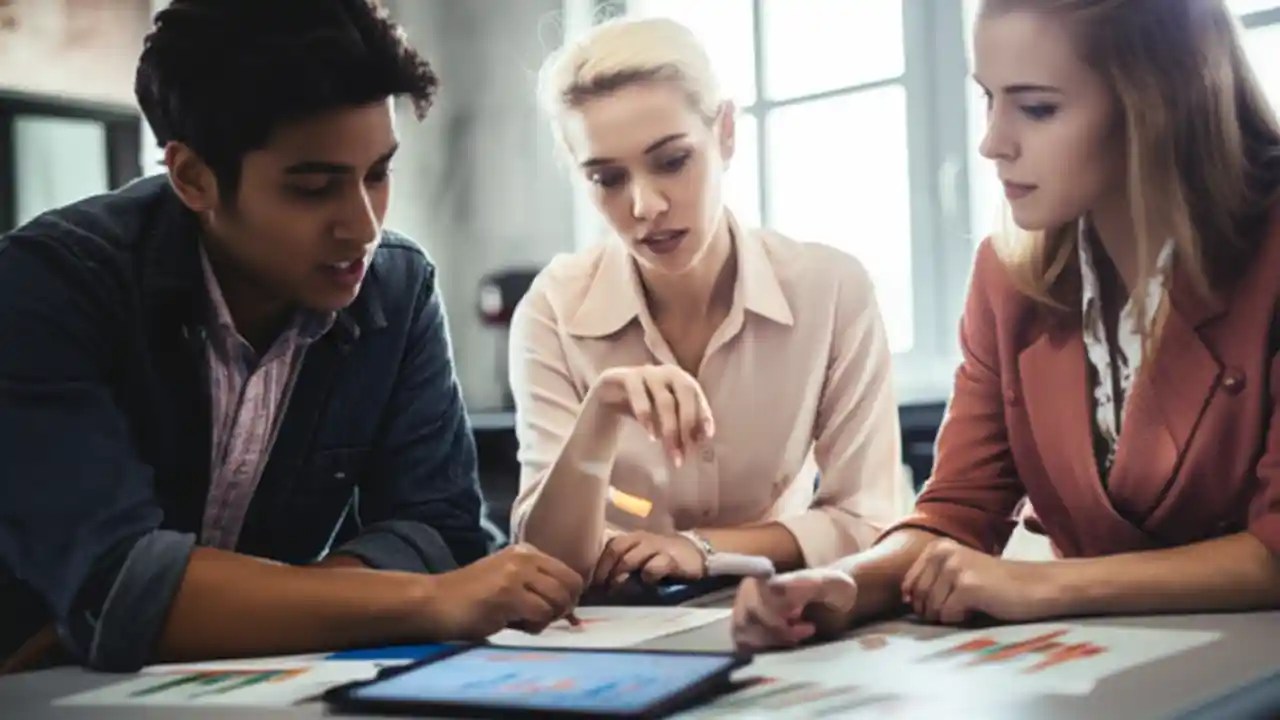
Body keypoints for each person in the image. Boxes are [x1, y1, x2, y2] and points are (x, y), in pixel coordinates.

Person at [0, 0, 581, 673]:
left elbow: (442, 527)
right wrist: (426, 601)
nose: (363, 227)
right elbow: (117, 587)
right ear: (192, 177)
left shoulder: (394, 286)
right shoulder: (50, 285)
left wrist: (248, 609)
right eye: (312, 188)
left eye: (378, 173)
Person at [731, 0, 1280, 652]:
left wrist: (1036, 585)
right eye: (989, 99)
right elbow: (957, 512)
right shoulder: (1006, 280)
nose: (992, 141)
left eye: (1037, 108)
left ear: (1157, 105)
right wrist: (845, 585)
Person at [508, 17, 909, 590]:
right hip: (609, 633)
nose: (645, 206)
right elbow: (546, 564)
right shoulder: (551, 311)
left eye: (672, 161)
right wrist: (598, 418)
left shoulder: (832, 291)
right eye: (608, 179)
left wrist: (699, 550)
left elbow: (869, 521)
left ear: (724, 133)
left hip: (783, 611)